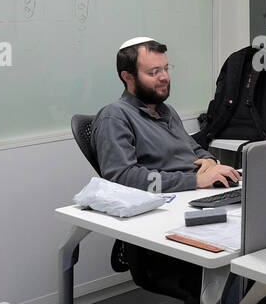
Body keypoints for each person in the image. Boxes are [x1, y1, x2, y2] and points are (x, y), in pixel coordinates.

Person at [92, 37, 240, 192]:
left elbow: (192, 148)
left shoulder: (166, 111)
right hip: (171, 200)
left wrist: (208, 160)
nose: (164, 77)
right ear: (128, 77)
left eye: (166, 69)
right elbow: (123, 177)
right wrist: (196, 180)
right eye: (154, 72)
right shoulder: (115, 116)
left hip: (197, 191)